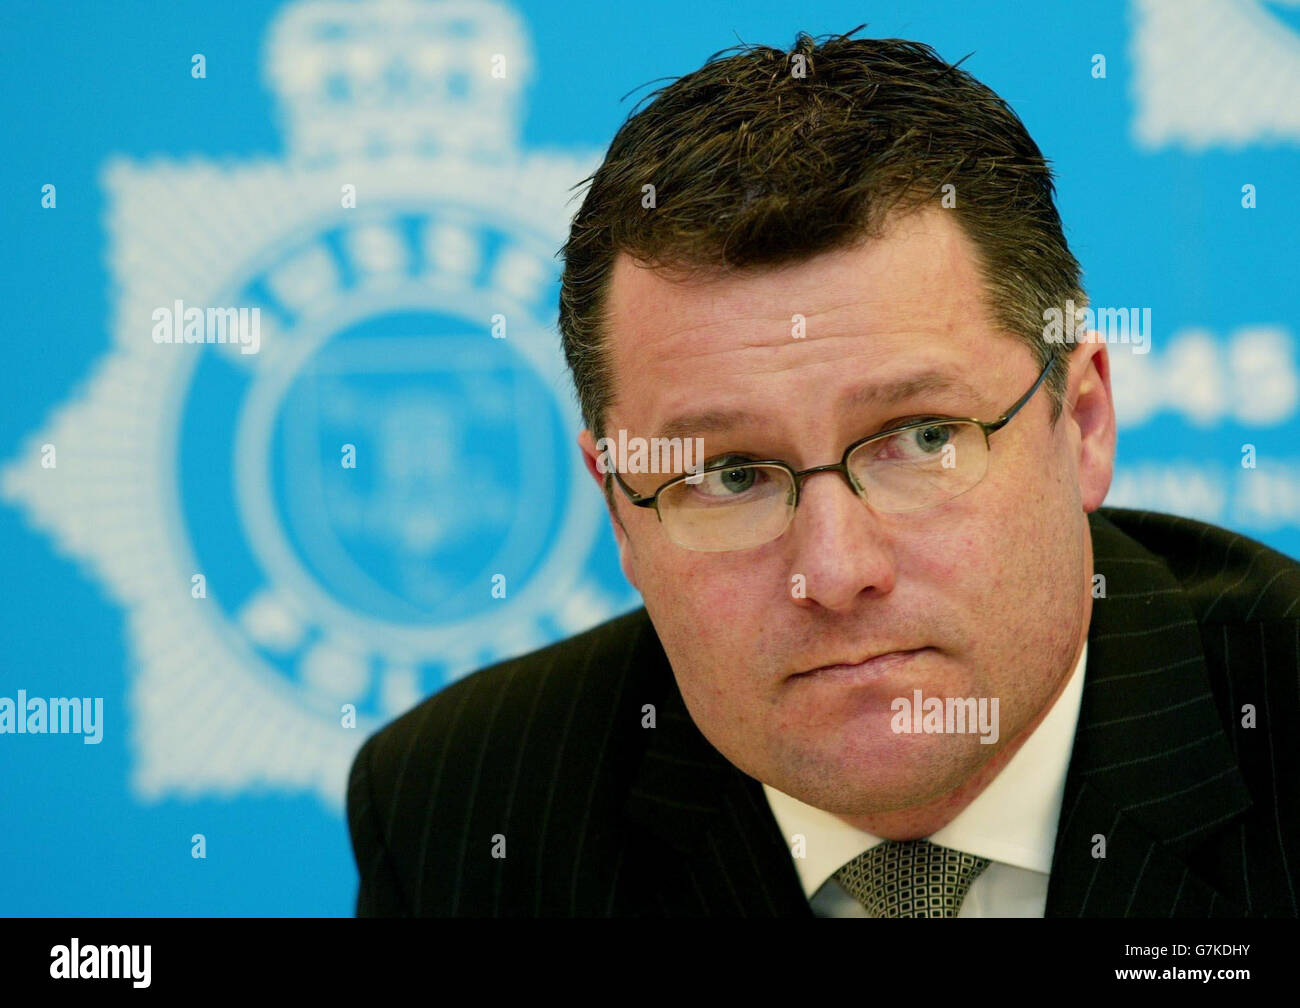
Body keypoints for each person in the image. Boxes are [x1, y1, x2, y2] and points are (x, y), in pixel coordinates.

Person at [346, 27, 1300, 917]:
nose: (836, 573)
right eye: (729, 476)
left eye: (923, 439)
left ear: (1082, 424)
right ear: (620, 511)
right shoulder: (462, 814)